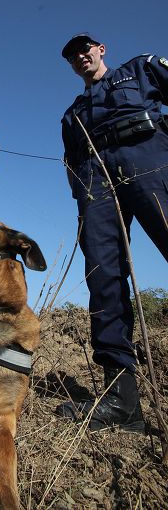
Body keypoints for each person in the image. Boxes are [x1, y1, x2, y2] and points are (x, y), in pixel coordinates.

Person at [57, 34, 168, 432]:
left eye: (85, 48)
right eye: (72, 56)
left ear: (101, 48)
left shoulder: (139, 69)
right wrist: (84, 196)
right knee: (103, 276)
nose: (80, 56)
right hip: (97, 183)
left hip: (150, 161)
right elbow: (71, 160)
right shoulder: (72, 113)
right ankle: (122, 400)